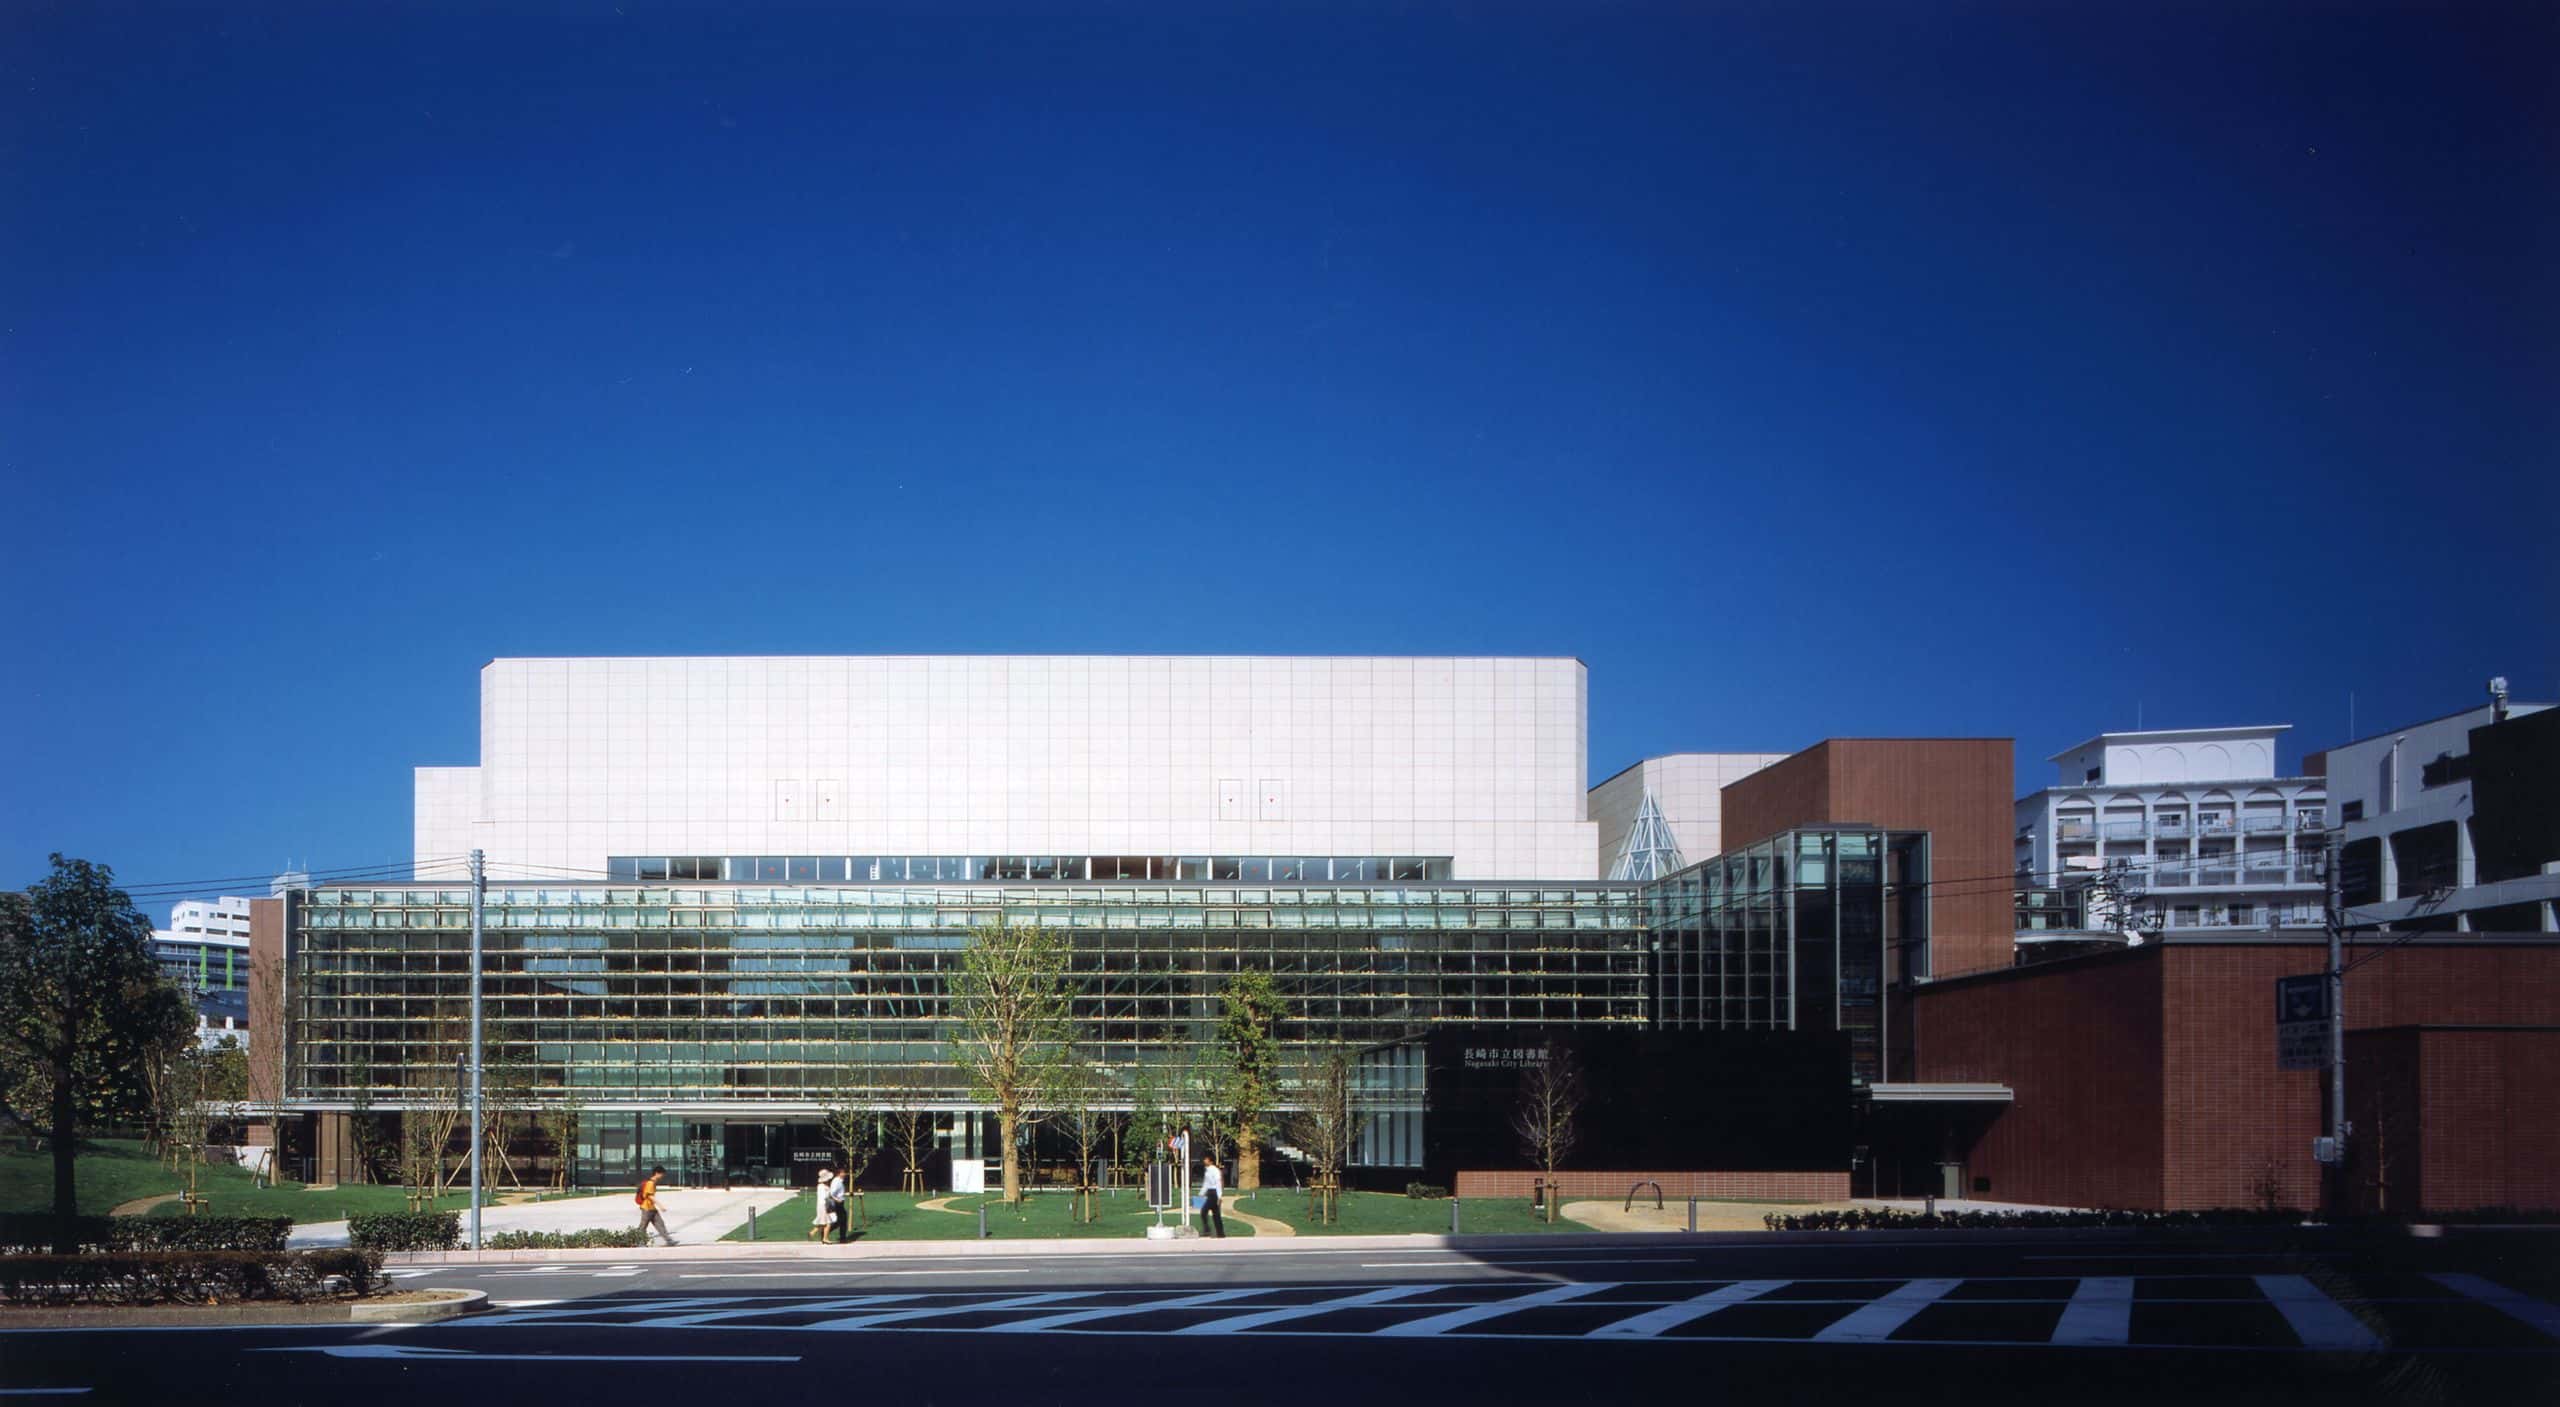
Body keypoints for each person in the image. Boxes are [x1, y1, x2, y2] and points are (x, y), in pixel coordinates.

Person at [637, 1165, 676, 1246]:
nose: (662, 1176)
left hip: (652, 1208)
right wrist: (660, 1205)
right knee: (643, 1226)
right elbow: (649, 1196)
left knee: (660, 1224)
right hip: (647, 1208)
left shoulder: (653, 1182)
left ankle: (669, 1240)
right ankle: (640, 1242)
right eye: (662, 1174)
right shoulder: (650, 1183)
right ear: (657, 1173)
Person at [1199, 1154, 1226, 1239]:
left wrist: (1219, 1196)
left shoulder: (1215, 1170)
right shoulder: (1207, 1170)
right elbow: (1206, 1183)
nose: (1204, 1161)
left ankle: (1207, 1230)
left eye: (1206, 1159)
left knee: (1204, 1211)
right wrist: (1201, 1193)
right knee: (1216, 1214)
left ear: (1210, 1161)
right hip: (1210, 1192)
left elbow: (1218, 1183)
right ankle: (1220, 1233)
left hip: (1214, 1193)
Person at [807, 1167, 836, 1242]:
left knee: (823, 1222)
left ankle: (812, 1233)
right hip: (823, 1206)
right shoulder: (822, 1187)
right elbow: (824, 1197)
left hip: (822, 1206)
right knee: (828, 1223)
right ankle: (825, 1238)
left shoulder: (822, 1186)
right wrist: (827, 1207)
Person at [827, 1165, 851, 1244]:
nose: (844, 1174)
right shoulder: (836, 1181)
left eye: (844, 1172)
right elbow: (831, 1193)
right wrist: (837, 1200)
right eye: (843, 1173)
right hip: (837, 1203)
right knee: (842, 1219)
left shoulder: (840, 1181)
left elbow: (839, 1193)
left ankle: (827, 1233)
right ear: (838, 1174)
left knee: (840, 1220)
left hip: (840, 1202)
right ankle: (842, 1238)